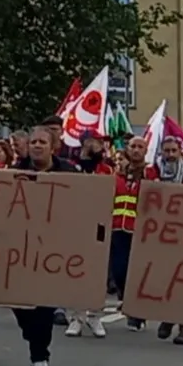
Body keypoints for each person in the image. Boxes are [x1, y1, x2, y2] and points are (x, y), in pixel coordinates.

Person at [5, 124, 77, 366]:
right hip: (19, 250)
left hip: (51, 250)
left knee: (43, 306)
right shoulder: (15, 172)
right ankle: (31, 334)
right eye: (33, 141)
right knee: (20, 304)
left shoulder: (69, 172)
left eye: (42, 142)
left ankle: (40, 355)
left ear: (53, 147)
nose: (36, 146)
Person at [147, 135, 183, 345]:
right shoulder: (153, 170)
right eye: (166, 151)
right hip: (159, 232)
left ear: (181, 152)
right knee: (165, 279)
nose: (170, 155)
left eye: (173, 151)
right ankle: (168, 317)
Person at [66, 130, 115, 339]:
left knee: (98, 272)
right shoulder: (71, 166)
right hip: (77, 223)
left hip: (101, 225)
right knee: (77, 269)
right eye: (96, 142)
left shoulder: (107, 168)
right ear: (86, 143)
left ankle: (95, 315)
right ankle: (77, 317)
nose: (99, 146)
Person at [111, 133, 148, 330]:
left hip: (140, 231)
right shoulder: (117, 174)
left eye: (140, 147)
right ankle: (125, 298)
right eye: (132, 146)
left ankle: (135, 313)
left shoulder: (150, 174)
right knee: (119, 270)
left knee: (138, 273)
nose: (135, 150)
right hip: (118, 229)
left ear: (145, 151)